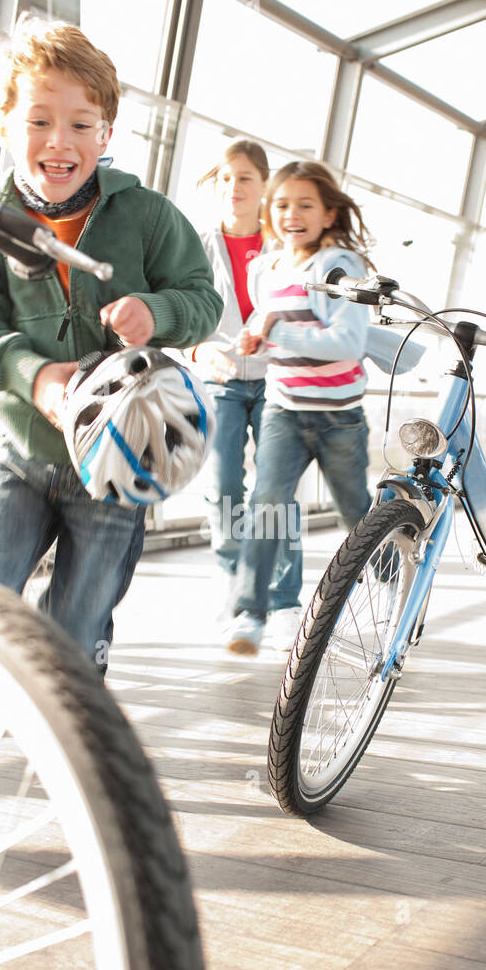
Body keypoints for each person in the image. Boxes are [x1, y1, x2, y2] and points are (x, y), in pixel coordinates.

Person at [0, 14, 222, 666]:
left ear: (107, 133)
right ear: (5, 124)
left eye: (79, 124)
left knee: (75, 630)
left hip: (119, 465)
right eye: (37, 121)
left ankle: (72, 743)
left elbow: (204, 301)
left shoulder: (148, 215)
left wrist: (156, 312)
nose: (58, 141)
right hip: (15, 454)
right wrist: (35, 377)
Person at [225, 160, 373, 655]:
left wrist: (275, 334)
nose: (292, 214)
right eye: (282, 204)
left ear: (329, 214)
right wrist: (257, 342)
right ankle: (248, 613)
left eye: (305, 205)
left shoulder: (339, 266)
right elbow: (269, 330)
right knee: (266, 507)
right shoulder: (264, 268)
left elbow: (348, 341)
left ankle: (395, 581)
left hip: (338, 417)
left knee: (356, 513)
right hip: (283, 410)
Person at [193, 140, 303, 647]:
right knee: (224, 490)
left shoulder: (285, 251)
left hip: (277, 380)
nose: (234, 188)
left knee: (275, 492)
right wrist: (201, 351)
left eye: (244, 178)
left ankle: (282, 602)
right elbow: (184, 318)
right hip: (220, 384)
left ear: (263, 187)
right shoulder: (197, 247)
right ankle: (237, 593)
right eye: (226, 178)